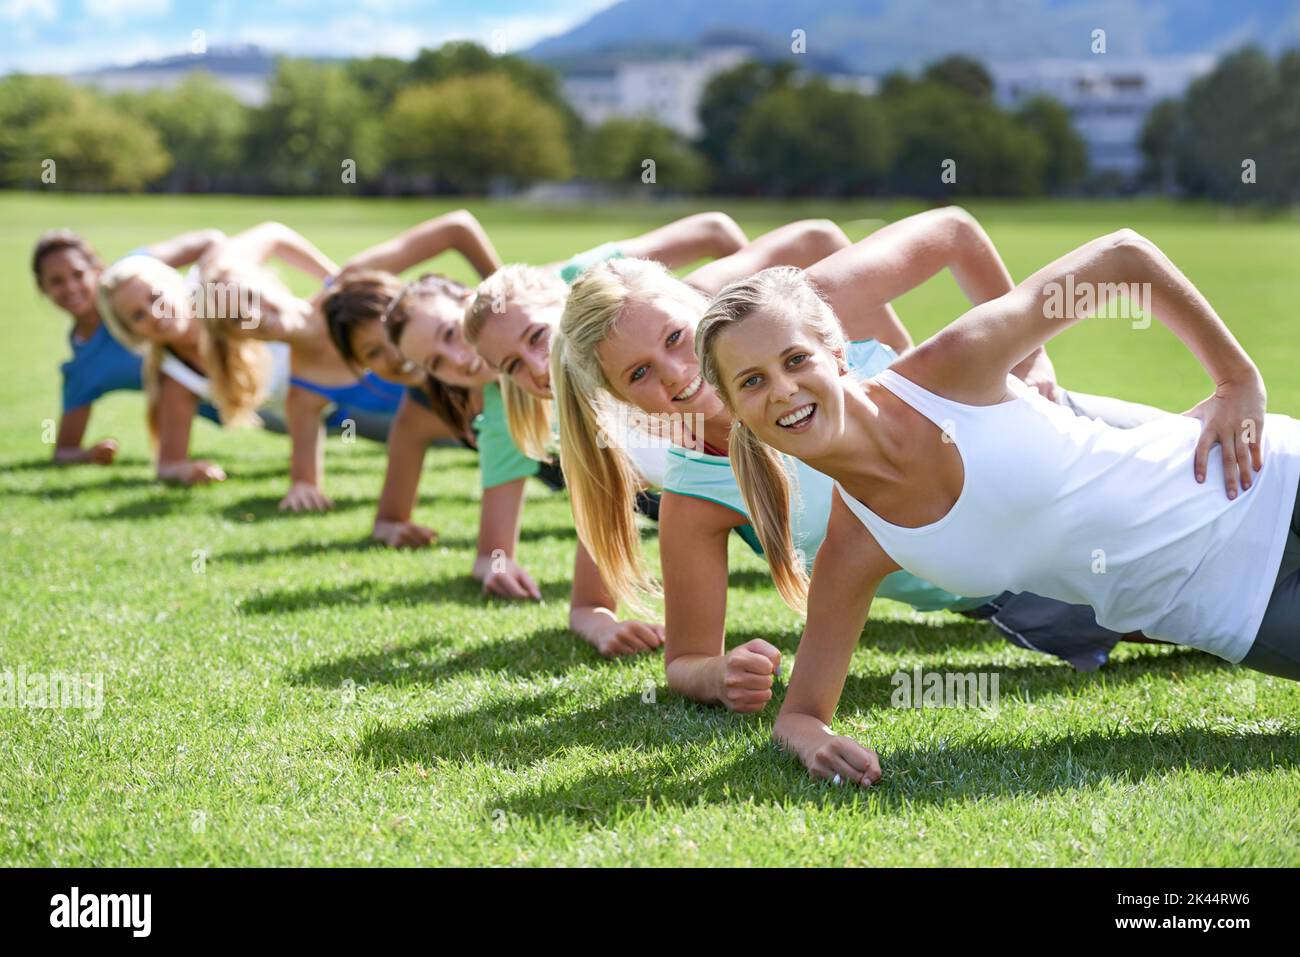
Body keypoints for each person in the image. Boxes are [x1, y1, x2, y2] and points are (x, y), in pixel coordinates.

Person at [695, 230, 1300, 787]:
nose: (782, 390)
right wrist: (810, 738)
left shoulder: (949, 368)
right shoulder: (855, 544)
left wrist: (1235, 380)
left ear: (837, 353)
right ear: (733, 408)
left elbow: (1121, 258)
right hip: (1235, 614)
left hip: (1265, 479)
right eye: (751, 382)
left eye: (796, 360)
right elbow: (799, 713)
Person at [550, 207, 1166, 712]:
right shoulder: (697, 495)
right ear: (621, 400)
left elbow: (953, 232)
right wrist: (722, 675)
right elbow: (685, 661)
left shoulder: (794, 307)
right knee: (1198, 617)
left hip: (1052, 438)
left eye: (676, 338)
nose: (678, 373)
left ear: (696, 302)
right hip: (1022, 583)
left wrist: (1032, 361)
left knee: (1226, 475)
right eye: (639, 374)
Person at [33, 228, 224, 466]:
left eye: (78, 274)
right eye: (57, 281)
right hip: (228, 406)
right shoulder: (84, 367)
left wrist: (215, 291)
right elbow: (64, 451)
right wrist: (90, 455)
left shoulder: (134, 273)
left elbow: (211, 240)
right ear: (43, 288)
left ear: (97, 268)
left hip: (246, 358)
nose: (71, 287)